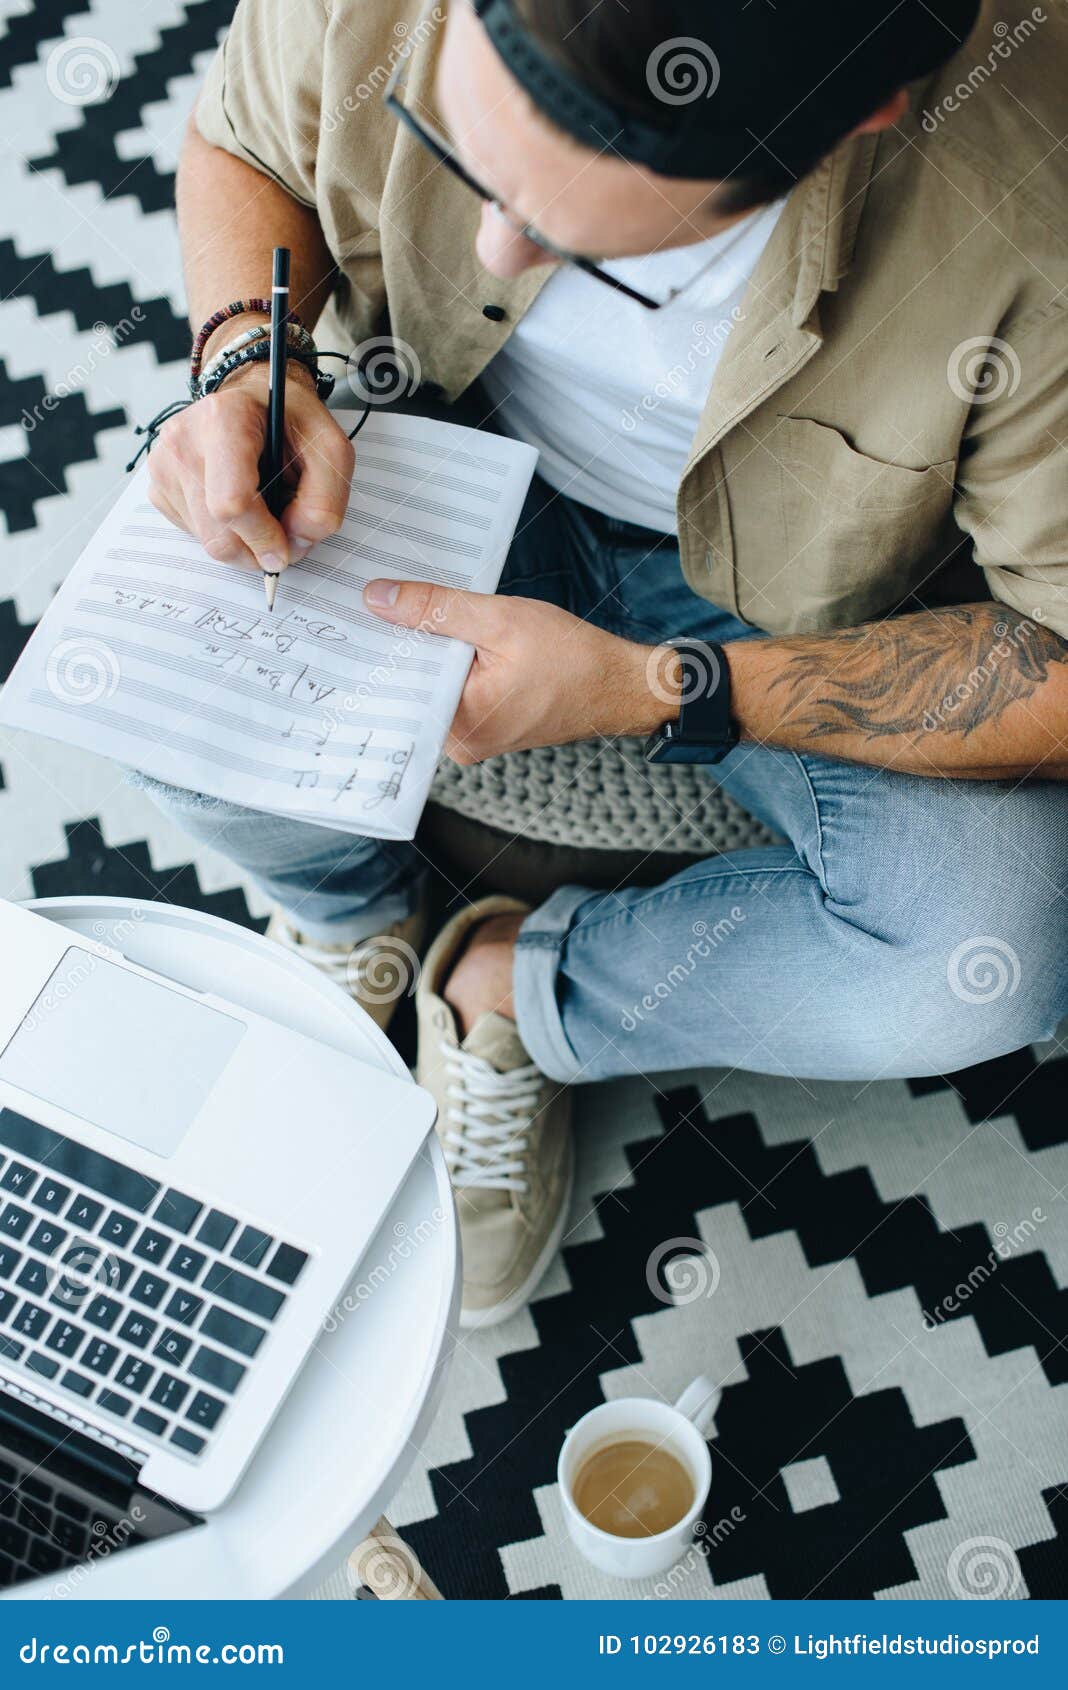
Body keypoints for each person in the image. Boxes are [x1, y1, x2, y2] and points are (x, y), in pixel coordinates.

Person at [142, 0, 1068, 1328]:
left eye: (590, 246)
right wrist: (252, 359)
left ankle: (513, 982)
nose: (492, 246)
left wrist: (665, 685)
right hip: (438, 449)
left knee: (990, 948)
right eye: (456, 147)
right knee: (166, 644)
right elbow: (242, 141)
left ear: (861, 117)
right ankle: (354, 919)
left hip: (814, 604)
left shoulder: (1032, 201)